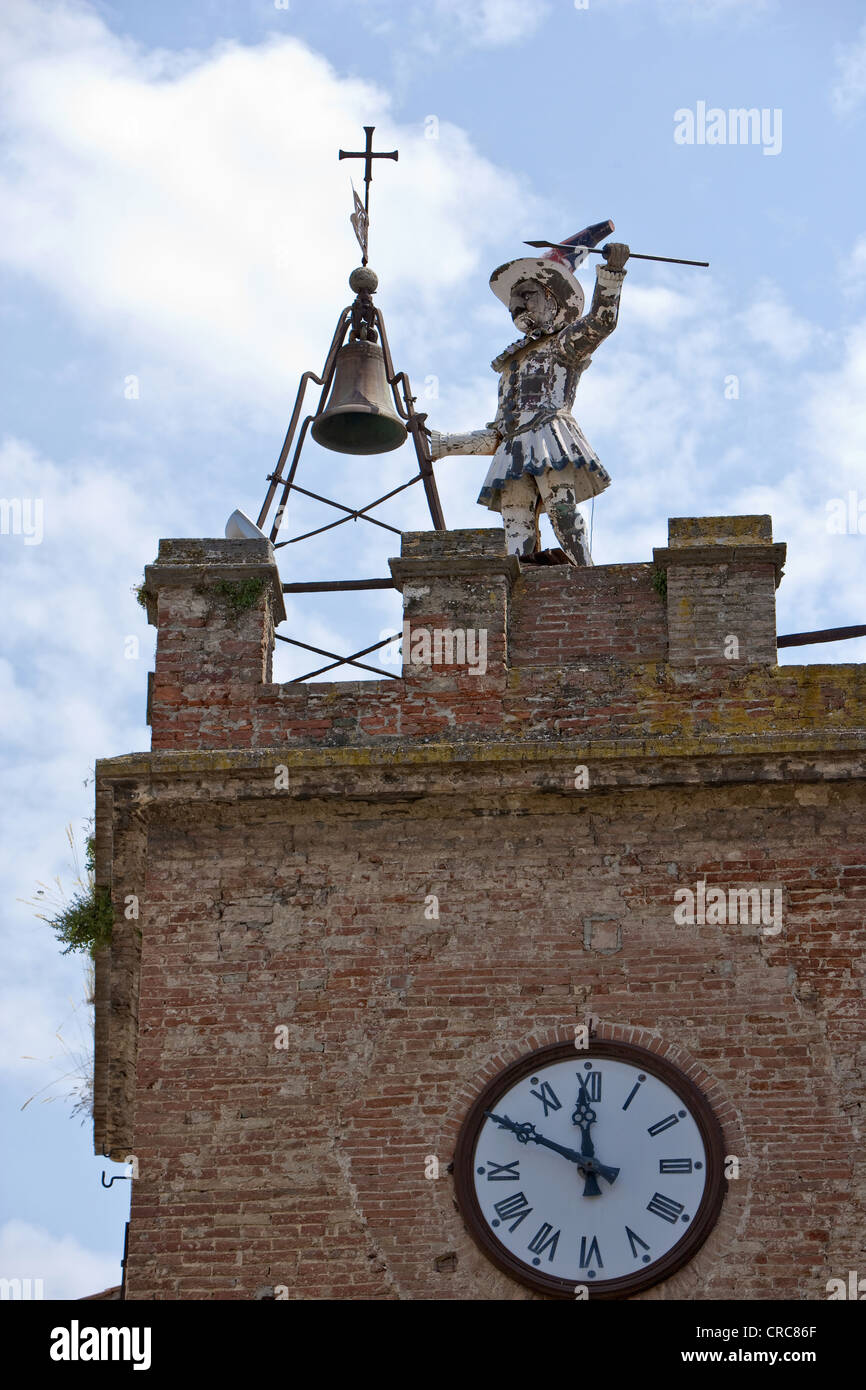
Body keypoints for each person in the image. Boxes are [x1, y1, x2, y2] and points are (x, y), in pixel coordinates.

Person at [429, 229, 629, 565]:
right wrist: (444, 443)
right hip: (514, 449)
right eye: (513, 302)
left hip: (550, 436)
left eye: (526, 295)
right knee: (515, 522)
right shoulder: (510, 364)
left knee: (561, 511)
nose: (517, 305)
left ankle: (585, 575)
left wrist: (611, 275)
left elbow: (601, 322)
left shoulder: (563, 345)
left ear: (551, 300)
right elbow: (500, 432)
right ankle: (520, 584)